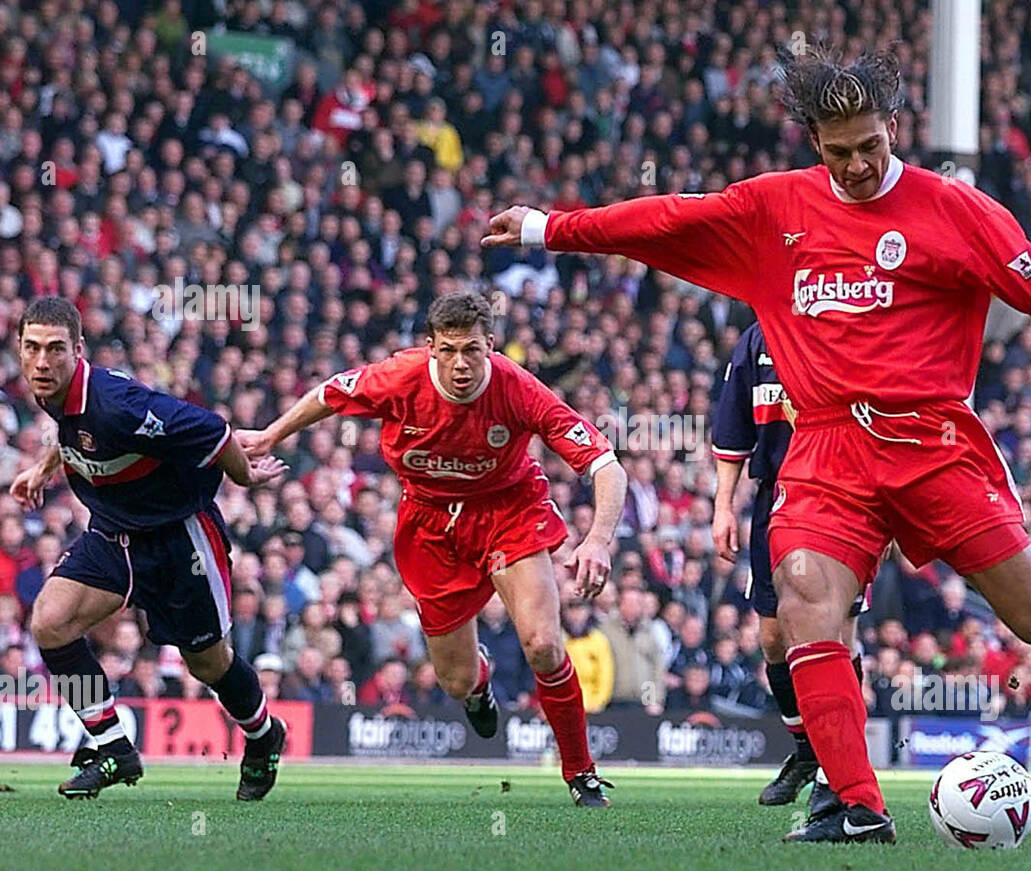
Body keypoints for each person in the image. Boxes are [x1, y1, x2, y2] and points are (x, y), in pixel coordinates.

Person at [483, 48, 1031, 842]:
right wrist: (549, 228)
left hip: (934, 444)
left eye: (872, 145)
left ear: (894, 128)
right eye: (840, 152)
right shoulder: (773, 210)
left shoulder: (956, 209)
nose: (860, 164)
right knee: (804, 598)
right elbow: (667, 219)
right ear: (814, 145)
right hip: (826, 447)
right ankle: (859, 807)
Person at [237, 292, 629, 806]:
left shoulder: (519, 389)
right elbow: (331, 394)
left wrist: (598, 539)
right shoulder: (400, 377)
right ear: (431, 348)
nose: (460, 363)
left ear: (491, 345)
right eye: (448, 350)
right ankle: (480, 682)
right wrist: (270, 435)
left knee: (543, 645)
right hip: (429, 526)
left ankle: (581, 773)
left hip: (508, 511)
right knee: (455, 679)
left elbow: (606, 464)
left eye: (471, 349)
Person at [9, 296, 289, 800]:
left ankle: (264, 734)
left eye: (54, 349)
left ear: (78, 349)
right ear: (20, 348)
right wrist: (44, 468)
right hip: (115, 533)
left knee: (207, 664)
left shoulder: (119, 406)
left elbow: (215, 430)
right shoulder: (52, 388)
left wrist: (245, 476)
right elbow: (75, 435)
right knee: (50, 623)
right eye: (31, 348)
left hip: (180, 536)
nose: (42, 361)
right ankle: (114, 748)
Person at [712, 321, 862, 820]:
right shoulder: (756, 340)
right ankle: (807, 751)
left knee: (835, 637)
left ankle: (836, 774)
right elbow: (733, 431)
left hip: (844, 497)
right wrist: (722, 507)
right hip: (775, 499)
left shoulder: (851, 325)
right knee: (774, 639)